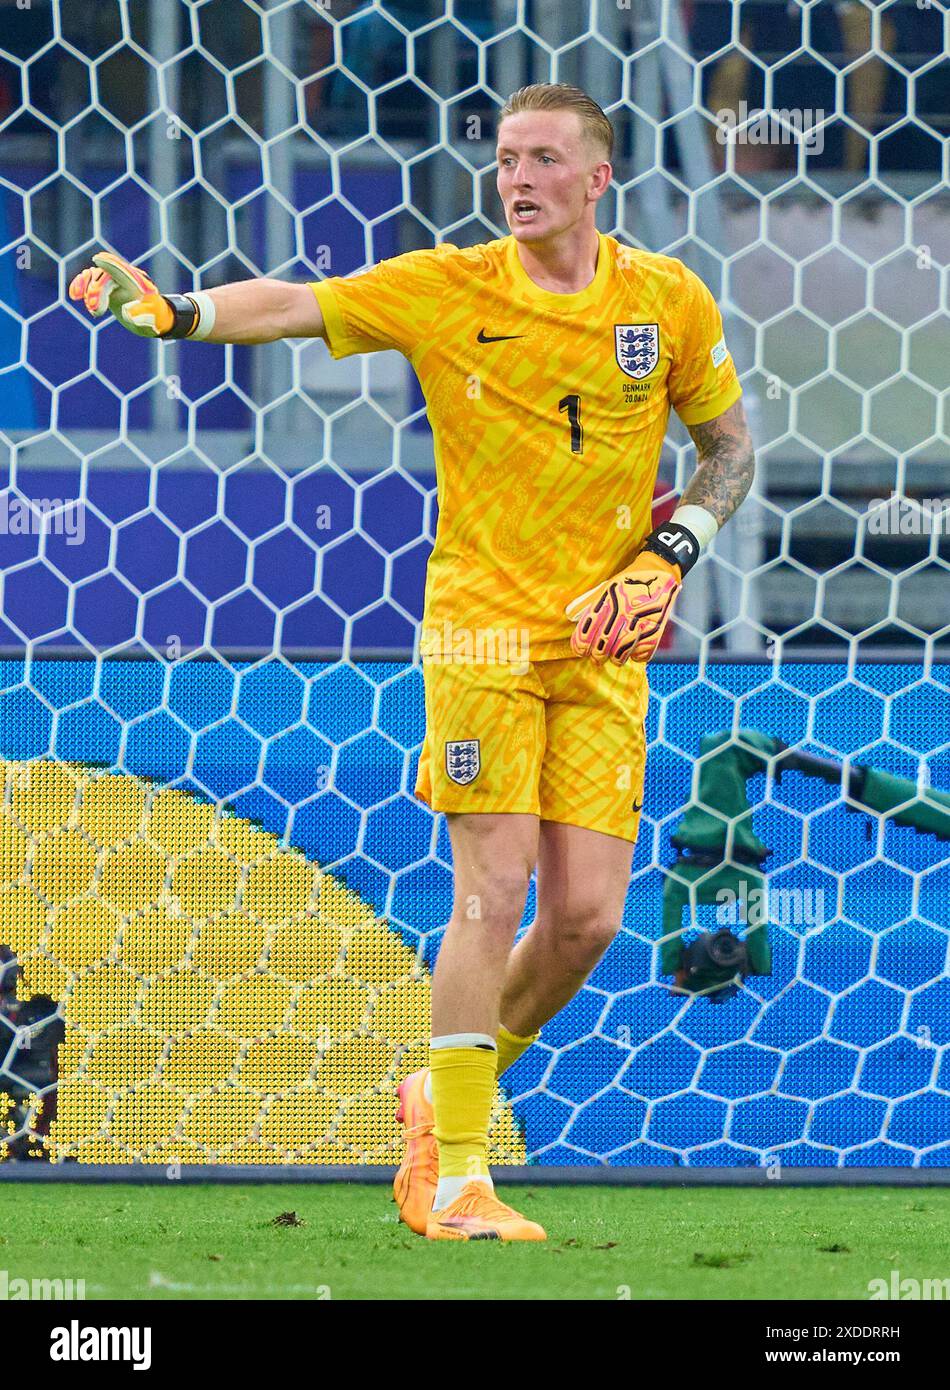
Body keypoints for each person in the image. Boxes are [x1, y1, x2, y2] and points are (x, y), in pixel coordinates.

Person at [69, 82, 755, 1240]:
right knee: (490, 892)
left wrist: (666, 557)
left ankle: (439, 1088)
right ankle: (454, 1174)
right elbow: (293, 300)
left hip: (604, 643)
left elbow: (726, 447)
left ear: (597, 179)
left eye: (542, 160)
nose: (517, 180)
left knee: (586, 918)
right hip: (481, 632)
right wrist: (174, 310)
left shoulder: (665, 301)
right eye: (503, 160)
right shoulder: (448, 288)